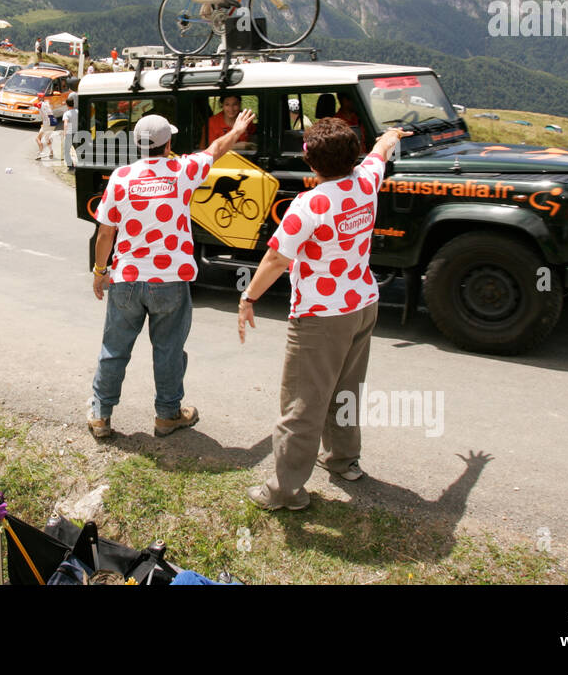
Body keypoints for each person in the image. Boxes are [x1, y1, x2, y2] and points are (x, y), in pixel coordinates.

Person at [238, 118, 407, 510]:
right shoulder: (366, 181)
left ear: (310, 160)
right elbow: (381, 153)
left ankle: (284, 490)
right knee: (345, 390)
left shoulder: (310, 204)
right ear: (353, 156)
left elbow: (278, 257)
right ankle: (343, 461)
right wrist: (392, 135)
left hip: (320, 315)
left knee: (301, 404)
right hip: (363, 303)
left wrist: (248, 297)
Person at [87, 108, 255, 439]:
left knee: (114, 349)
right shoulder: (181, 171)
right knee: (168, 350)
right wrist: (236, 130)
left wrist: (99, 271)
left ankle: (100, 416)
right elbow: (215, 149)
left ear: (138, 144)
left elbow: (106, 233)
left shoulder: (121, 178)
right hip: (170, 281)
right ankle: (167, 415)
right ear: (167, 145)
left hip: (127, 279)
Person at [61, 92, 78, 171]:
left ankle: (70, 166)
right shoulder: (78, 112)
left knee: (66, 150)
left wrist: (65, 133)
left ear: (67, 105)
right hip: (78, 133)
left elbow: (66, 124)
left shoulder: (67, 113)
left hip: (70, 133)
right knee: (78, 150)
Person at [35, 95, 55, 159]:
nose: (37, 98)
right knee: (47, 138)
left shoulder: (40, 103)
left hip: (47, 123)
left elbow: (36, 104)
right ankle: (51, 152)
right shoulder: (47, 103)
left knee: (38, 139)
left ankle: (41, 153)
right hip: (53, 122)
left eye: (38, 96)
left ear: (40, 98)